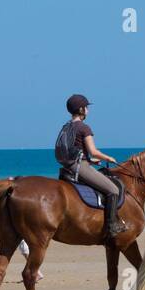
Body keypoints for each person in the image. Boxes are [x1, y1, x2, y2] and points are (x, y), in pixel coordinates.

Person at [56, 93, 127, 238]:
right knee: (113, 189)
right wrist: (109, 158)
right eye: (87, 107)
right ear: (81, 110)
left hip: (67, 167)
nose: (88, 110)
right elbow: (93, 151)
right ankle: (112, 225)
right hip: (79, 167)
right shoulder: (84, 128)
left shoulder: (65, 127)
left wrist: (90, 161)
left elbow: (75, 149)